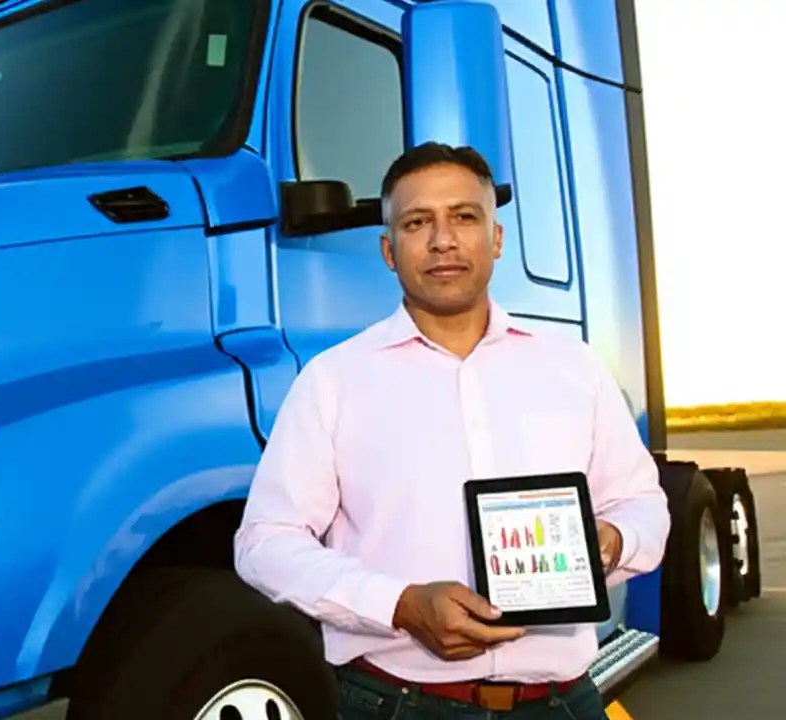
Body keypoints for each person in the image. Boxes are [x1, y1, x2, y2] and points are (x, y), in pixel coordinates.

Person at [233, 142, 671, 719]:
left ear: (496, 239)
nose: (443, 239)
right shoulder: (333, 380)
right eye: (418, 222)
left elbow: (645, 506)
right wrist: (401, 605)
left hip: (562, 702)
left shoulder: (575, 369)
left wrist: (609, 541)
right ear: (389, 250)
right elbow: (264, 542)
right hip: (398, 704)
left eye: (464, 216)